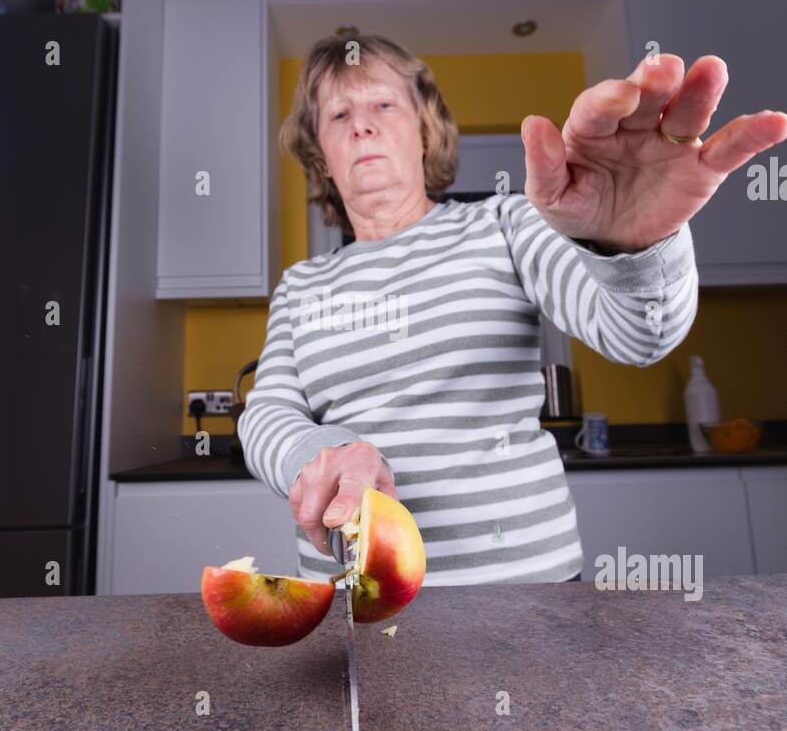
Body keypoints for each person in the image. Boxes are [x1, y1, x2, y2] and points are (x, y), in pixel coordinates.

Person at [239, 32, 786, 584]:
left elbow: (639, 336)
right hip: (355, 602)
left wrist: (637, 247)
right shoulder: (303, 284)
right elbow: (264, 416)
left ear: (424, 131)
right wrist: (324, 451)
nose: (362, 124)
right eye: (337, 115)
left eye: (383, 103)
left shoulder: (506, 223)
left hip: (527, 602)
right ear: (322, 159)